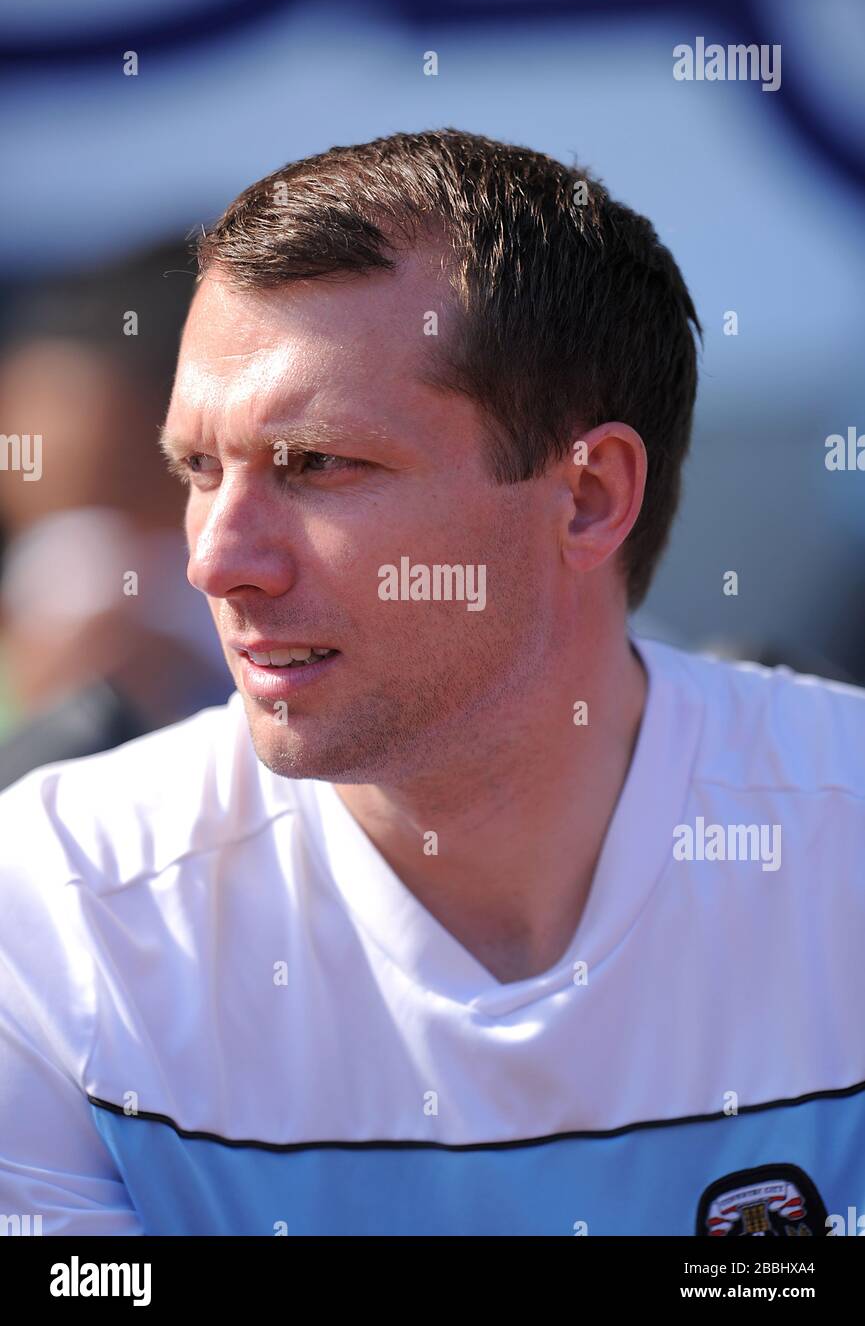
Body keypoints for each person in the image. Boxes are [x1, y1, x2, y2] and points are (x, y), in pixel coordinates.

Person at [0, 129, 862, 1237]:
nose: (216, 558)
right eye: (198, 469)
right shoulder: (57, 904)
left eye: (316, 465)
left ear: (588, 496)